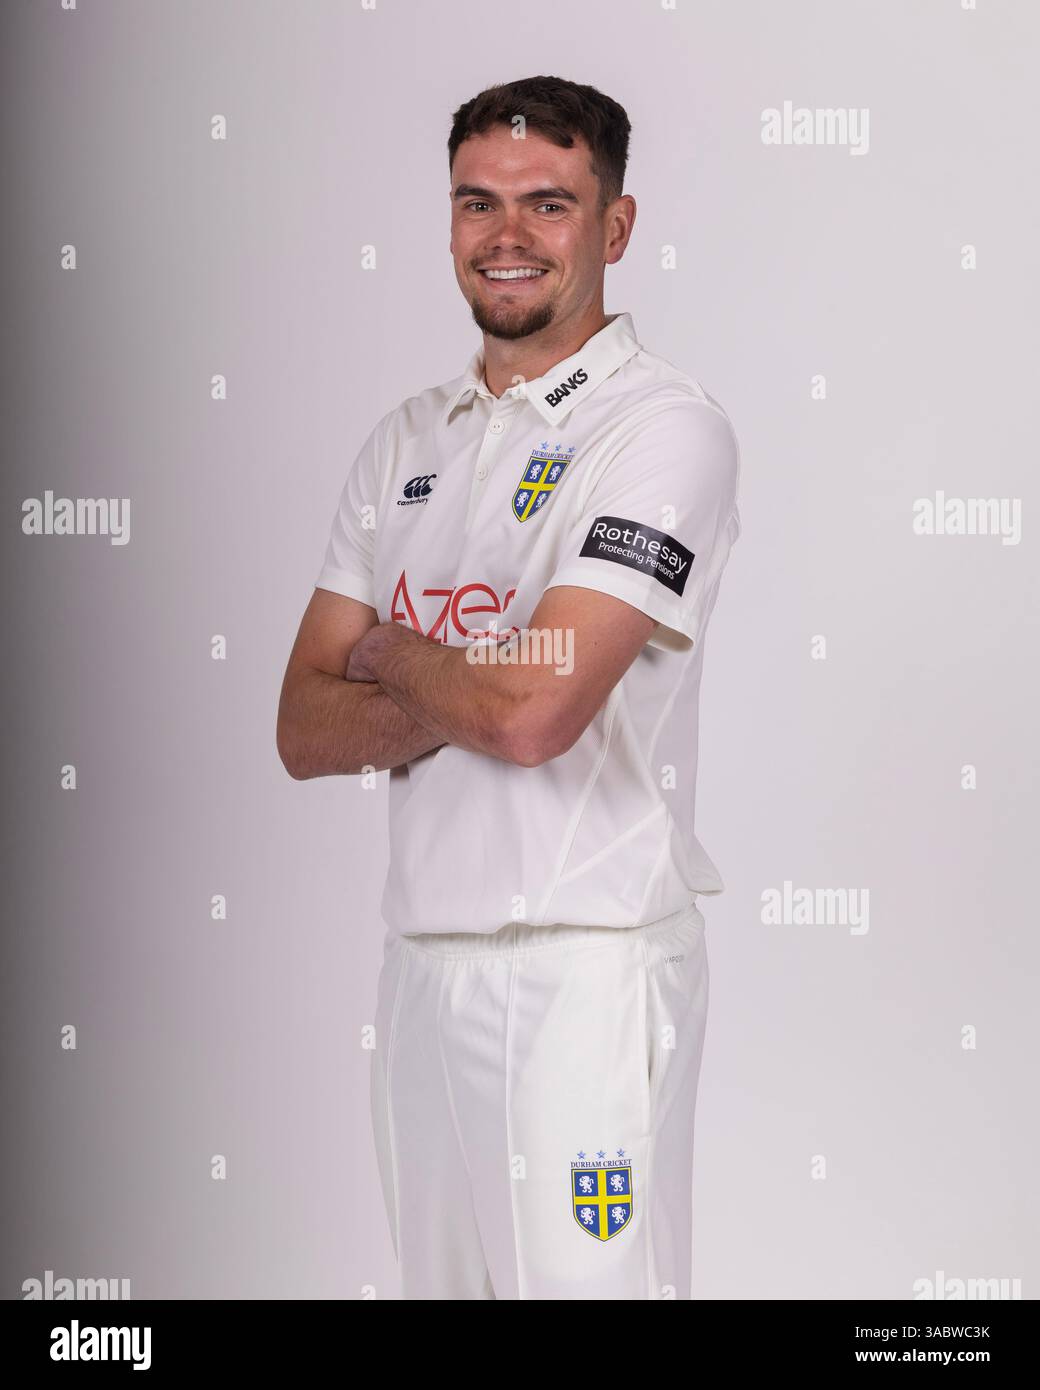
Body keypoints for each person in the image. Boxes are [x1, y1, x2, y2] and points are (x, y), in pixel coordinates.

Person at [277, 75, 742, 1300]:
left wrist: (383, 649)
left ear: (615, 227)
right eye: (477, 203)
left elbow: (535, 714)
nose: (507, 236)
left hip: (585, 970)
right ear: (446, 222)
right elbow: (298, 726)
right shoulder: (404, 442)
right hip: (420, 963)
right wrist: (469, 678)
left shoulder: (662, 429)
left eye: (548, 204)